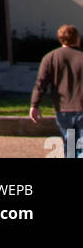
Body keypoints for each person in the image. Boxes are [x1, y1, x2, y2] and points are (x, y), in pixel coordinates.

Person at [29, 23, 83, 158]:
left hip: (63, 109)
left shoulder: (50, 58)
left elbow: (40, 83)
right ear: (77, 38)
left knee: (70, 147)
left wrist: (34, 105)